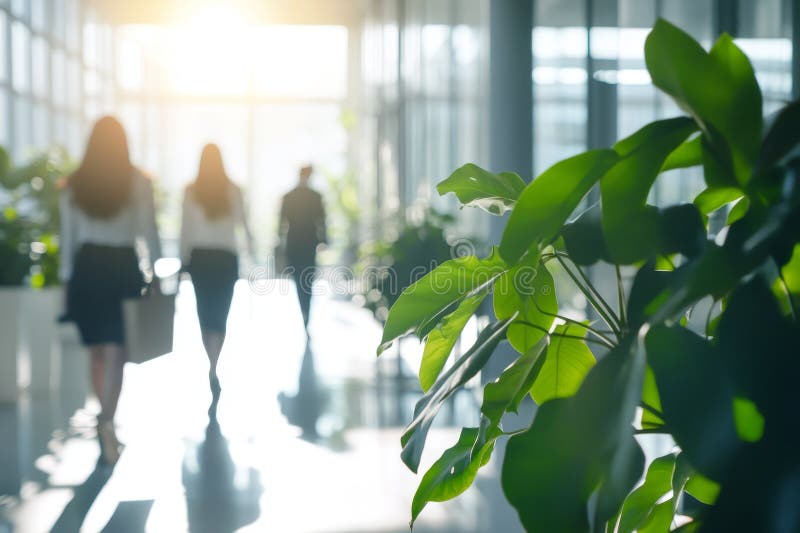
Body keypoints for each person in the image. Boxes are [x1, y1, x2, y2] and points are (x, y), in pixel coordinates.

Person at [60, 116, 161, 466]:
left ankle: (103, 417)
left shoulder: (75, 184)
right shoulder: (137, 182)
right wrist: (157, 273)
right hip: (121, 267)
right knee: (117, 349)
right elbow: (149, 231)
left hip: (87, 267)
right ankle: (107, 420)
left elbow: (67, 238)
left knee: (97, 352)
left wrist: (66, 283)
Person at [179, 144, 253, 397]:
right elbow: (244, 224)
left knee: (204, 310)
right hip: (225, 258)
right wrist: (251, 256)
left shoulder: (191, 191)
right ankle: (214, 364)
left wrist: (182, 259)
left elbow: (185, 228)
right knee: (221, 312)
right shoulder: (232, 190)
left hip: (200, 258)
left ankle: (210, 360)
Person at [279, 165, 326, 331]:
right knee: (307, 280)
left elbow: (281, 223)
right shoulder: (315, 196)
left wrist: (279, 242)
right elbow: (322, 221)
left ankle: (304, 312)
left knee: (300, 279)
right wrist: (324, 240)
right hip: (308, 243)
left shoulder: (289, 196)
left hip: (294, 243)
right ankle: (306, 312)